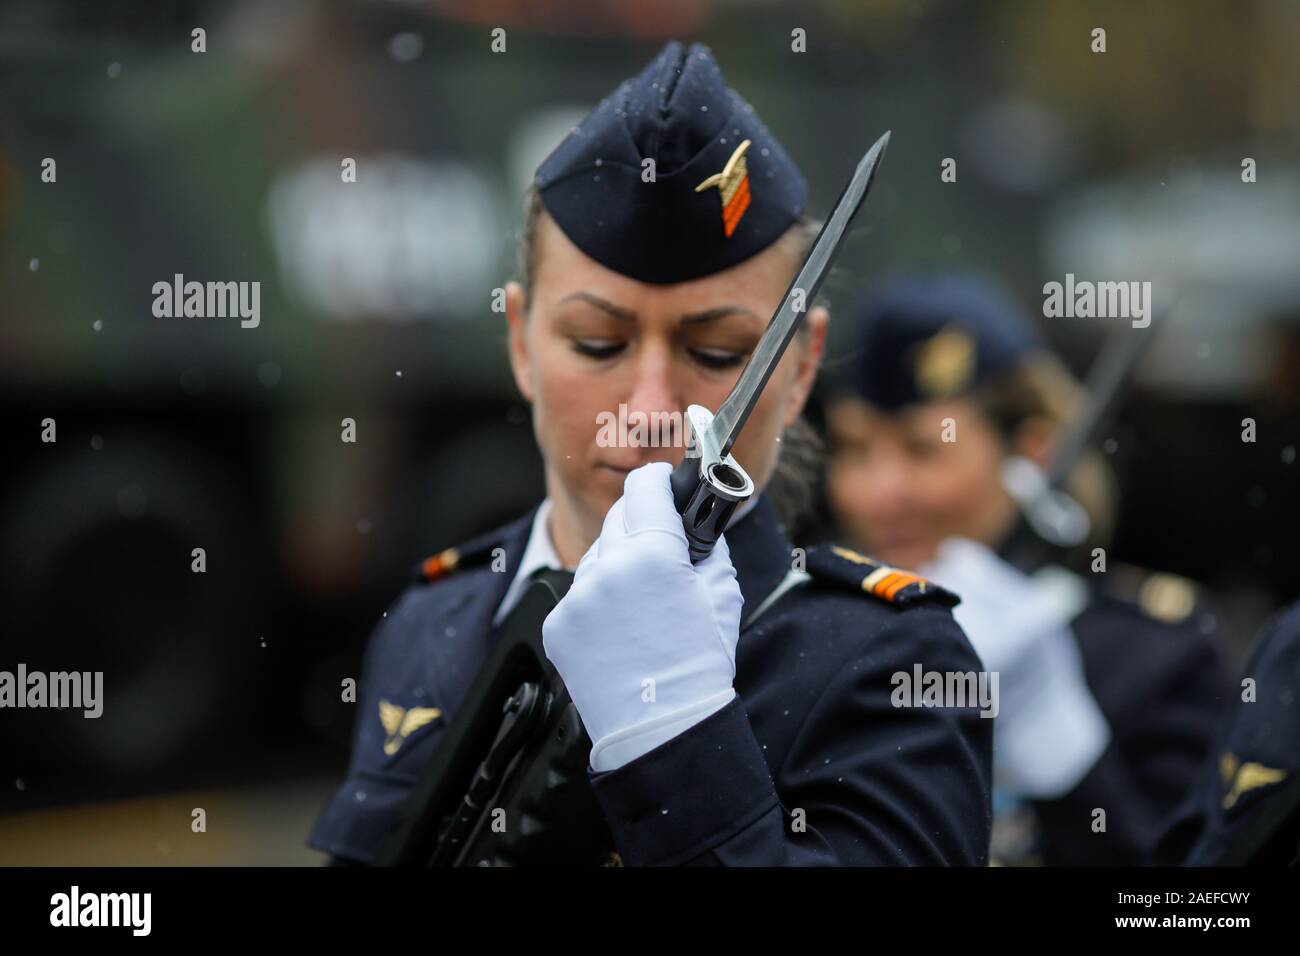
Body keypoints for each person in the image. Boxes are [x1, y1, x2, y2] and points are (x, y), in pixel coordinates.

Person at [308, 41, 992, 866]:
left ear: (802, 365)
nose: (651, 411)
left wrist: (675, 730)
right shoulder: (431, 623)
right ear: (520, 342)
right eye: (598, 343)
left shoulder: (887, 669)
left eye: (717, 353)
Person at [823, 273, 1228, 865]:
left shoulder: (1156, 655)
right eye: (855, 450)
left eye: (922, 450)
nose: (879, 494)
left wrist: (1065, 753)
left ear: (1032, 453)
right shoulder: (806, 630)